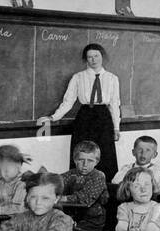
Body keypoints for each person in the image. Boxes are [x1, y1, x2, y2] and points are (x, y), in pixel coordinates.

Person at [38, 43, 120, 183]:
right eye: (89, 57)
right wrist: (54, 117)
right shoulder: (78, 77)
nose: (93, 60)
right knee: (82, 153)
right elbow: (68, 101)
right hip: (85, 117)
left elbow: (114, 105)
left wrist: (116, 128)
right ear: (85, 59)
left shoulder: (112, 78)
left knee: (105, 155)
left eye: (96, 56)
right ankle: (79, 188)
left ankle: (105, 189)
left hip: (104, 118)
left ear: (102, 57)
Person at [57, 141, 108, 229]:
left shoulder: (99, 176)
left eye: (90, 161)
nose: (85, 165)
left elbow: (86, 199)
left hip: (92, 220)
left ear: (97, 162)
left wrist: (64, 198)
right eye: (81, 160)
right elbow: (56, 182)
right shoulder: (71, 174)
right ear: (75, 160)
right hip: (73, 216)